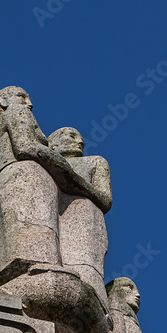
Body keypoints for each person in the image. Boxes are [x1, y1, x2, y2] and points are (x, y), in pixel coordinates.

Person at [0, 87, 111, 290]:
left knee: (3, 244)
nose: (29, 103)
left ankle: (0, 280)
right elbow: (25, 146)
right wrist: (67, 173)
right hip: (26, 179)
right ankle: (39, 268)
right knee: (35, 236)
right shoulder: (18, 112)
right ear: (5, 102)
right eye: (22, 97)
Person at [48, 126, 112, 311]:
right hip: (54, 215)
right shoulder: (46, 166)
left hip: (85, 218)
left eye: (80, 137)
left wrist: (72, 180)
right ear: (52, 144)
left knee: (85, 270)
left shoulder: (95, 162)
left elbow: (105, 200)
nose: (80, 141)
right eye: (72, 135)